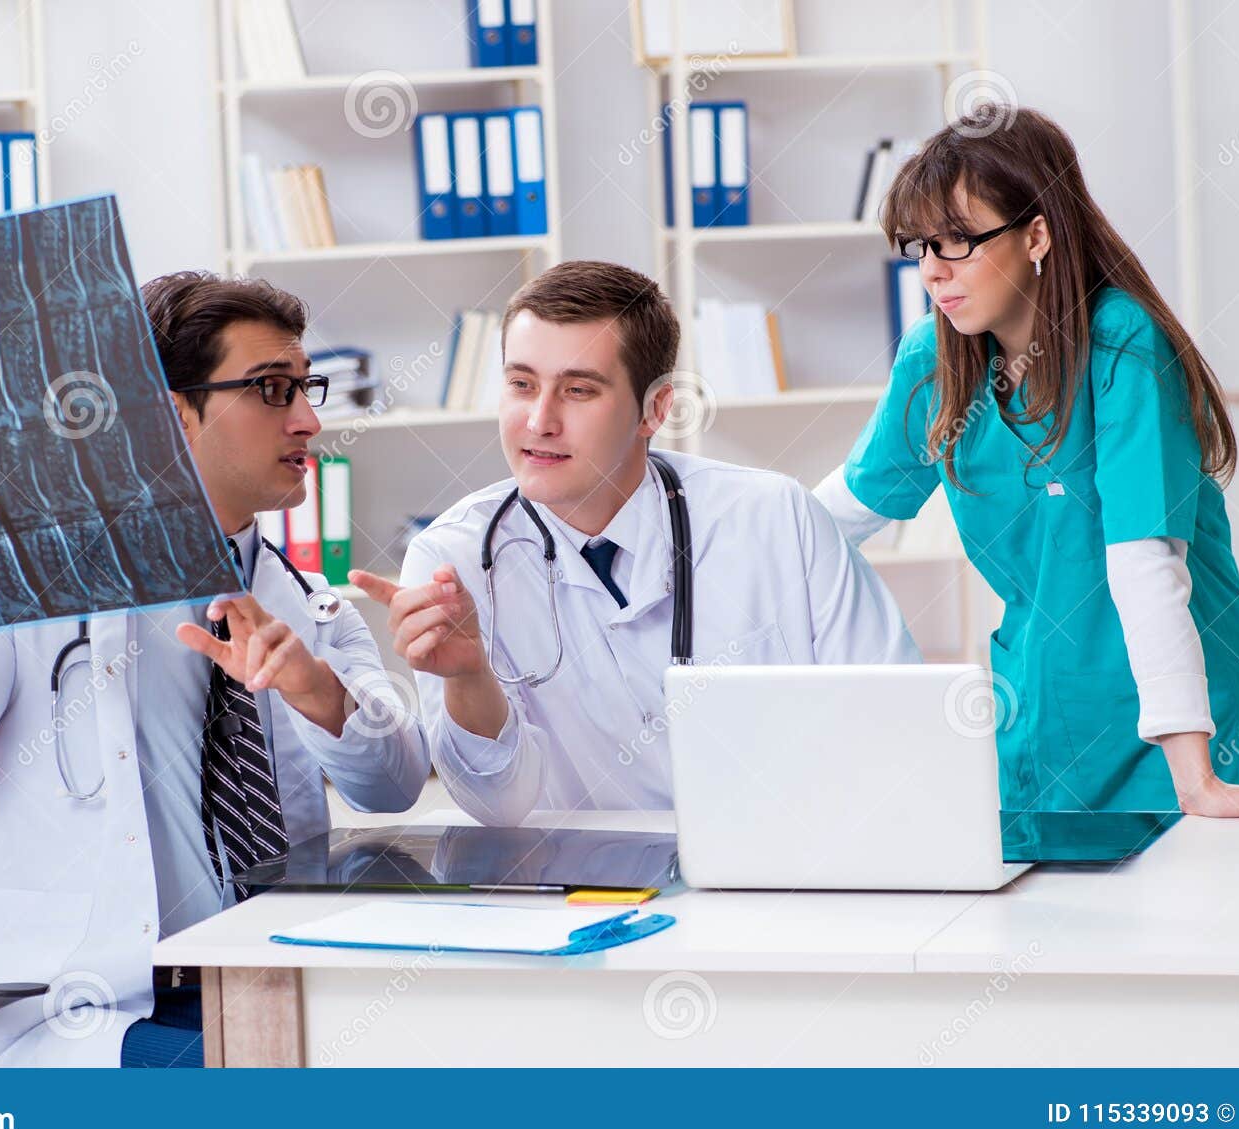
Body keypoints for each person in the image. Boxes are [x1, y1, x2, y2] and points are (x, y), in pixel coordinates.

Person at [0, 272, 430, 1067]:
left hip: (260, 980)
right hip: (83, 1009)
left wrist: (316, 692)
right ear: (169, 415)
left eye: (306, 388)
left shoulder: (312, 605)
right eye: (272, 390)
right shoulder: (34, 594)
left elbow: (391, 785)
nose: (310, 419)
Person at [814, 104, 1239, 820]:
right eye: (920, 247)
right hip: (1043, 714)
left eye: (959, 243)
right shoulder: (935, 361)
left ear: (1036, 233)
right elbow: (838, 514)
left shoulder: (1123, 348)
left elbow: (1145, 562)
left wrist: (1196, 781)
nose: (934, 274)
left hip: (1180, 726)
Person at [352, 260, 918, 826]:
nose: (539, 421)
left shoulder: (776, 517)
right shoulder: (451, 559)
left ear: (656, 409)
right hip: (585, 890)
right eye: (521, 385)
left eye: (577, 390)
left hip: (785, 868)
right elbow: (499, 808)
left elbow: (896, 722)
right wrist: (470, 678)